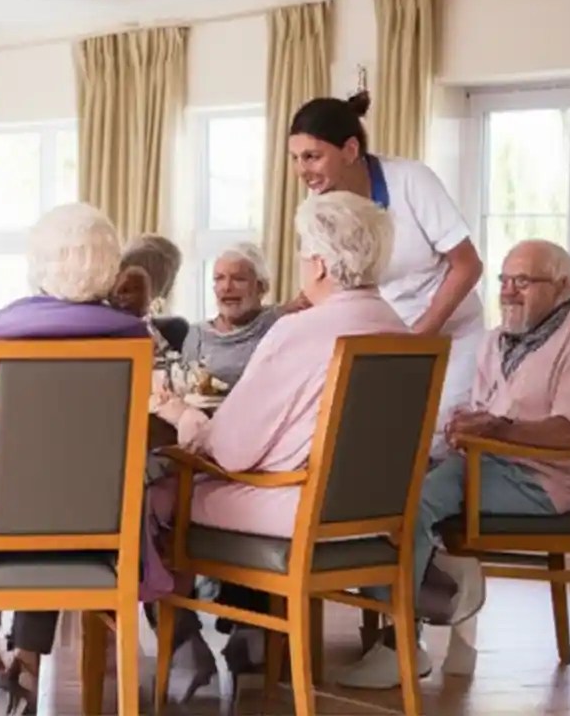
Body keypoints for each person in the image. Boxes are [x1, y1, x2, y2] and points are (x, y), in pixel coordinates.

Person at [145, 191, 410, 701]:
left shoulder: (299, 331)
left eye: (304, 252)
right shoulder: (398, 329)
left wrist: (178, 413)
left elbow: (231, 450)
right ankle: (250, 642)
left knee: (153, 500)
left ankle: (183, 653)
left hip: (298, 508)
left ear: (320, 262)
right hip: (378, 516)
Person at [0, 202, 151, 713]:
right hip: (97, 535)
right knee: (58, 497)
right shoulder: (133, 338)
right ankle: (23, 666)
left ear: (38, 263)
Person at [339, 239, 570, 688]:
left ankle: (400, 642)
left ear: (562, 286)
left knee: (409, 504)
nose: (508, 291)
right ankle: (447, 582)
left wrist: (496, 430)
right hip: (487, 463)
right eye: (504, 280)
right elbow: (482, 409)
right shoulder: (496, 340)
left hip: (547, 479)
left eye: (522, 281)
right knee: (384, 488)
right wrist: (462, 424)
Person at [289, 90, 486, 458]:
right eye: (296, 159)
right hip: (385, 340)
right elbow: (319, 285)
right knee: (382, 447)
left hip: (451, 337)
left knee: (436, 444)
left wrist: (419, 337)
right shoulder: (315, 209)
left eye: (313, 157)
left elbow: (467, 265)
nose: (303, 171)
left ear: (349, 150)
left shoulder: (411, 180)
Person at [181, 242, 286, 387]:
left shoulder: (279, 327)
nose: (226, 287)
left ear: (261, 287)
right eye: (219, 278)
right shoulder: (197, 334)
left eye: (238, 279)